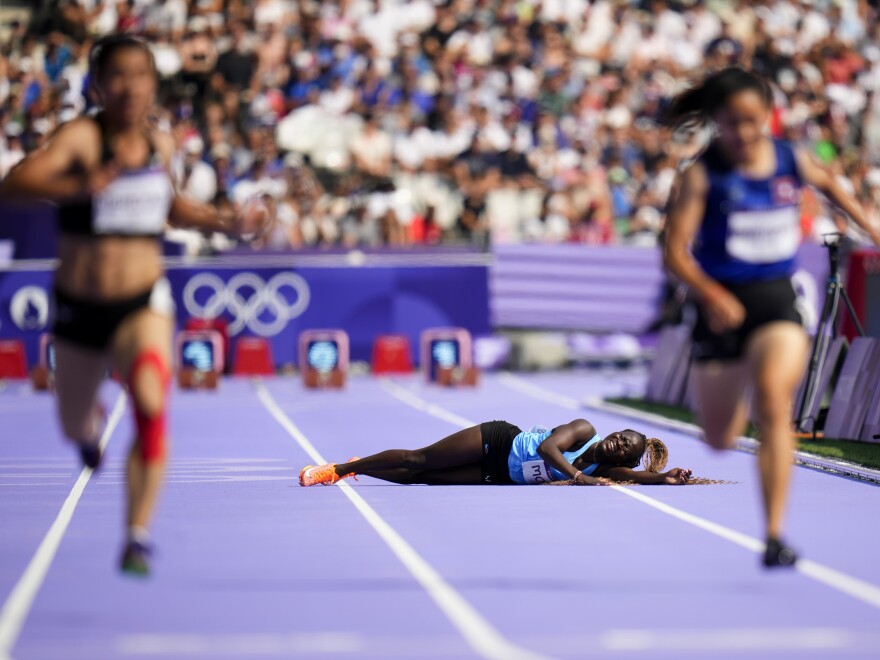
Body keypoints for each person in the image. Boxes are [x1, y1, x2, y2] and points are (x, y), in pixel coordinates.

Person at [0, 36, 266, 576]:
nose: (129, 87)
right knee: (73, 425)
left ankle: (136, 534)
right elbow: (15, 183)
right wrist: (78, 184)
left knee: (150, 398)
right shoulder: (81, 137)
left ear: (152, 84)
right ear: (98, 86)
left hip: (143, 301)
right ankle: (88, 427)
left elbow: (169, 207)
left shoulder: (159, 143)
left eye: (139, 75)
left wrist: (225, 223)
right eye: (117, 76)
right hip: (80, 306)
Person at [663, 67, 880, 568]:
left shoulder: (789, 159)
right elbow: (675, 254)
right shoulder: (701, 175)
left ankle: (775, 534)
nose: (742, 134)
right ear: (716, 120)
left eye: (753, 122)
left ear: (768, 117)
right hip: (719, 307)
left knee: (775, 404)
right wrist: (711, 295)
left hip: (775, 300)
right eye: (732, 123)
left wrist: (871, 227)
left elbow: (831, 185)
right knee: (719, 437)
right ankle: (735, 391)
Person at [299, 419, 692, 487]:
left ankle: (359, 469)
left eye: (626, 450)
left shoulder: (610, 468)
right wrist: (577, 476)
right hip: (500, 441)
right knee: (419, 459)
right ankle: (336, 468)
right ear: (614, 433)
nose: (619, 445)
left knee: (420, 479)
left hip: (499, 475)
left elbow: (639, 477)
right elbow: (545, 447)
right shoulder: (584, 432)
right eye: (622, 437)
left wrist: (665, 478)